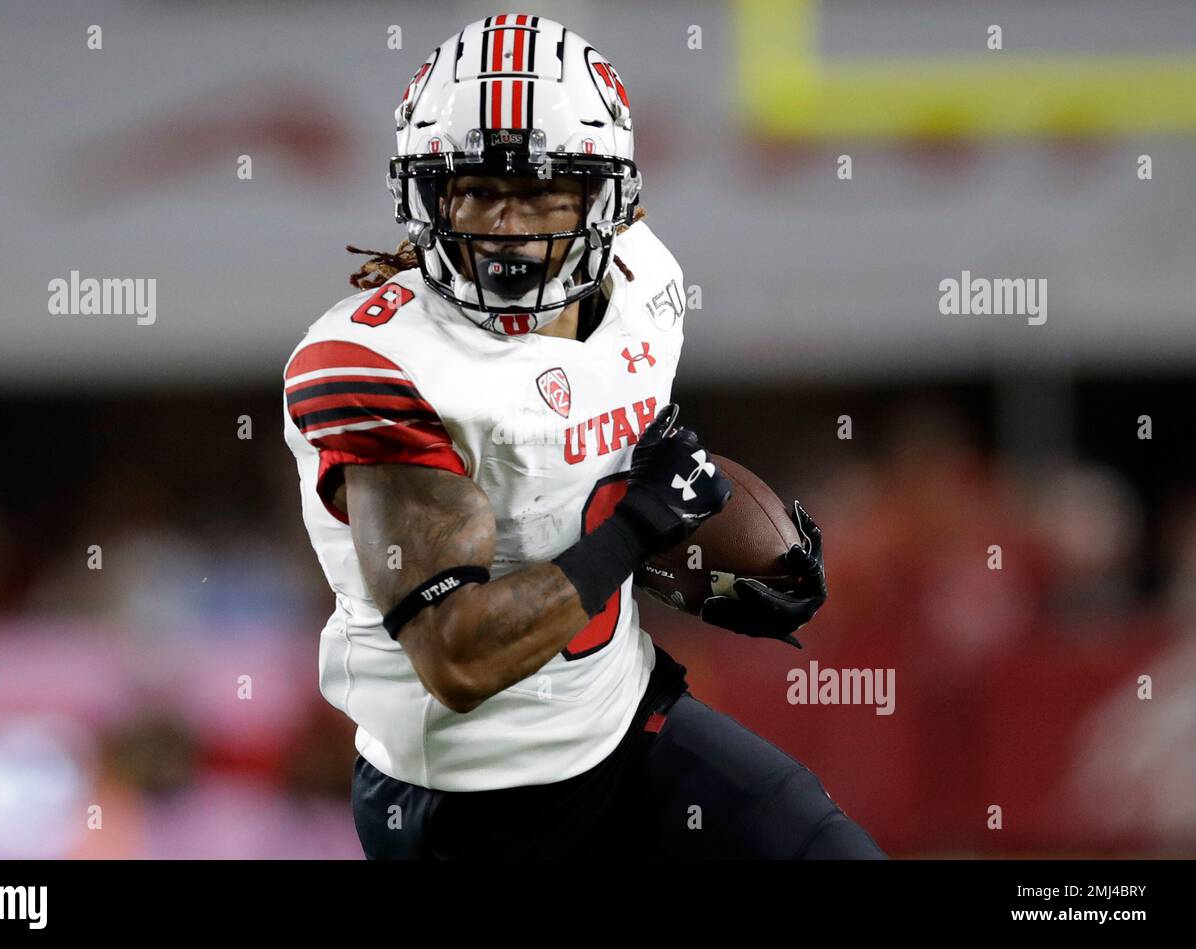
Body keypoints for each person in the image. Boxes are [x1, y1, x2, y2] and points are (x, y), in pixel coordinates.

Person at [283, 14, 885, 859]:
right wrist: (639, 526)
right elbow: (457, 657)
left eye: (542, 191)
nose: (507, 224)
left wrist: (702, 535)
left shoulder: (643, 282)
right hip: (467, 805)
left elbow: (617, 467)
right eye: (477, 188)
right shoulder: (384, 362)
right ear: (428, 196)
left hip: (626, 723)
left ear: (605, 198)